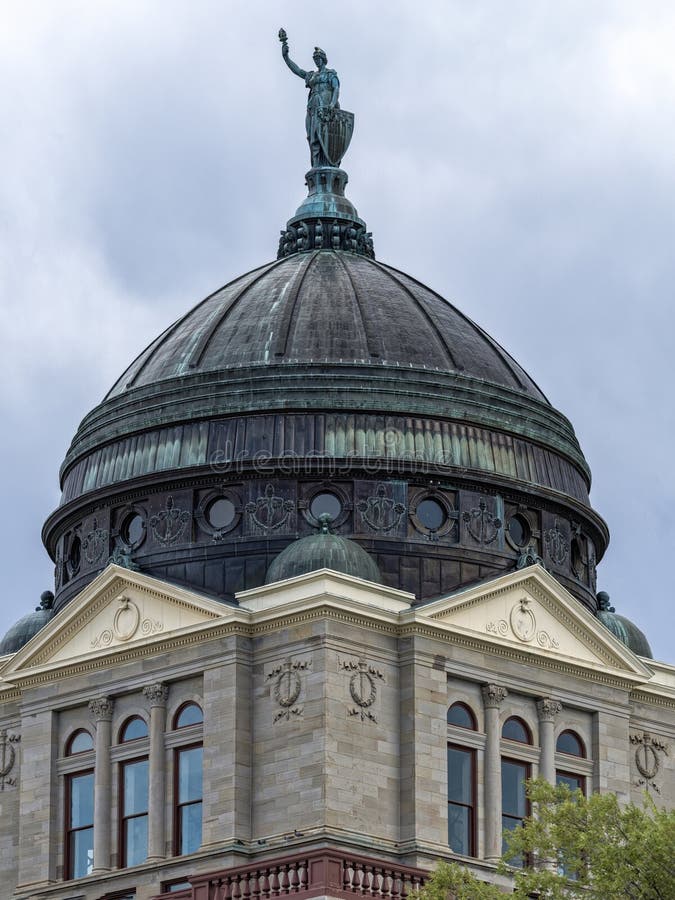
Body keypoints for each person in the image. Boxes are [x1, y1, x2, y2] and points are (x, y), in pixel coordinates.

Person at [279, 30, 341, 167]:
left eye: (319, 58)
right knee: (312, 137)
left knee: (324, 137)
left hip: (325, 110)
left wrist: (331, 105)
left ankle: (328, 164)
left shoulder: (331, 74)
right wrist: (286, 57)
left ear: (323, 59)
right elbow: (297, 70)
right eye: (315, 59)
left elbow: (336, 89)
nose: (317, 61)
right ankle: (316, 165)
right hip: (312, 109)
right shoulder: (311, 76)